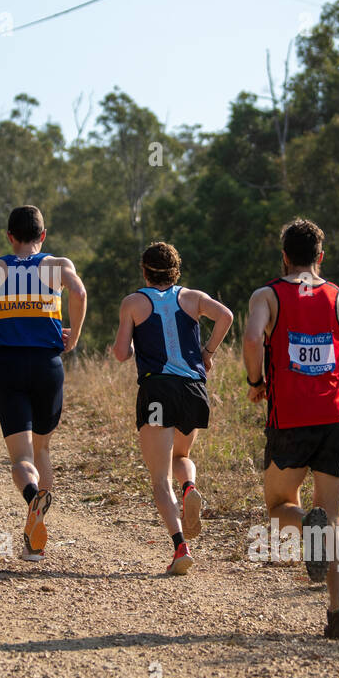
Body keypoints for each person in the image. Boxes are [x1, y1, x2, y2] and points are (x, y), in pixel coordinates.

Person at [243, 217, 339, 640]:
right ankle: (338, 614)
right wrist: (332, 373)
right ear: (320, 257)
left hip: (290, 419)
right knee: (334, 518)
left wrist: (257, 381)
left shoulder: (268, 295)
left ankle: (307, 527)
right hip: (336, 419)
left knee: (278, 506)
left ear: (284, 257)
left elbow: (251, 339)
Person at [0, 205, 86, 562]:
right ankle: (35, 535)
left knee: (21, 458)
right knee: (42, 450)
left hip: (10, 364)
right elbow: (78, 294)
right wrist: (73, 337)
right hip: (48, 365)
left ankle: (32, 499)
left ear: (10, 237)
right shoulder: (57, 265)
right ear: (43, 236)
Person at [112, 242, 233, 576]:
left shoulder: (133, 302)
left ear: (144, 270)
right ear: (176, 269)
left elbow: (122, 354)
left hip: (157, 390)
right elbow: (226, 316)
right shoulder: (193, 297)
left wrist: (129, 343)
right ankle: (190, 487)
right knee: (181, 457)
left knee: (158, 478)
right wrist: (208, 352)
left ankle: (181, 547)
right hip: (193, 389)